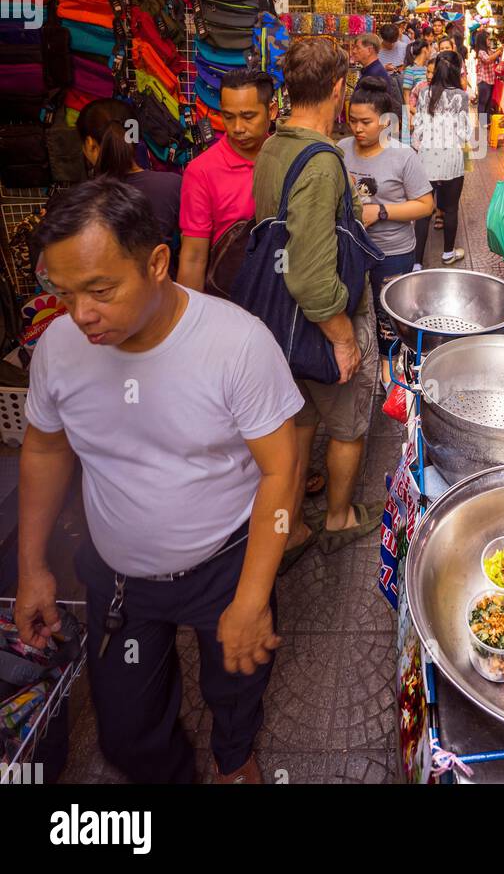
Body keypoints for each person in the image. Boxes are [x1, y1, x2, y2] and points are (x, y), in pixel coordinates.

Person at [17, 178, 302, 784]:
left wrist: (252, 596)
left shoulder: (236, 344)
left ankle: (234, 756)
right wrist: (32, 566)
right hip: (120, 579)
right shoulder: (59, 348)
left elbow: (281, 469)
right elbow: (44, 447)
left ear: (157, 262)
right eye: (64, 293)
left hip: (226, 564)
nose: (82, 315)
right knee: (127, 727)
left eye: (100, 290)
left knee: (236, 681)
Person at [253, 38, 381, 556]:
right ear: (337, 88)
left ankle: (289, 530)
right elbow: (309, 274)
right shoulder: (322, 160)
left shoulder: (271, 146)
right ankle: (337, 517)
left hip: (280, 325)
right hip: (319, 321)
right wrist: (344, 338)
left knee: (299, 422)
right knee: (347, 426)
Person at [339, 77, 433, 383]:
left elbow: (424, 205)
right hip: (351, 249)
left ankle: (388, 363)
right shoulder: (339, 151)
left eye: (365, 122)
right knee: (351, 306)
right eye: (352, 120)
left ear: (384, 122)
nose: (357, 128)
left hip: (392, 252)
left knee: (388, 315)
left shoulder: (403, 156)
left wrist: (380, 211)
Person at [177, 70, 277, 293]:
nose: (237, 128)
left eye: (248, 116)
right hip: (229, 302)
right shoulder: (201, 172)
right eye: (228, 117)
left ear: (271, 111)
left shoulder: (288, 160)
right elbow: (193, 257)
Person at [76, 97, 181, 271]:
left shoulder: (82, 199)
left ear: (89, 143)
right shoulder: (172, 184)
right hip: (163, 289)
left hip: (106, 292)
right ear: (134, 135)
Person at [412, 52, 471, 267]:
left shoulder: (424, 93)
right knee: (451, 208)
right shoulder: (461, 96)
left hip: (426, 157)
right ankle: (447, 253)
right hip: (452, 160)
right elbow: (465, 133)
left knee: (424, 210)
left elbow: (417, 128)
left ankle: (417, 262)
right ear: (457, 70)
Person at [349, 34, 403, 118]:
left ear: (369, 50)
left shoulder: (375, 75)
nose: (354, 51)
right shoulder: (373, 70)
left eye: (357, 48)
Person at [473, 28, 503, 122]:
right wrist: (499, 51)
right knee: (483, 103)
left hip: (490, 80)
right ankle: (482, 123)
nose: (489, 41)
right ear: (483, 41)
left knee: (488, 103)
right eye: (487, 39)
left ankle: (487, 122)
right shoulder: (481, 52)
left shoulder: (488, 50)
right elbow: (488, 59)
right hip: (483, 81)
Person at [402, 38, 431, 110]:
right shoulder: (410, 69)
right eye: (430, 48)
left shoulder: (427, 69)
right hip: (414, 112)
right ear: (424, 49)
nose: (431, 51)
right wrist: (407, 117)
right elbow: (406, 95)